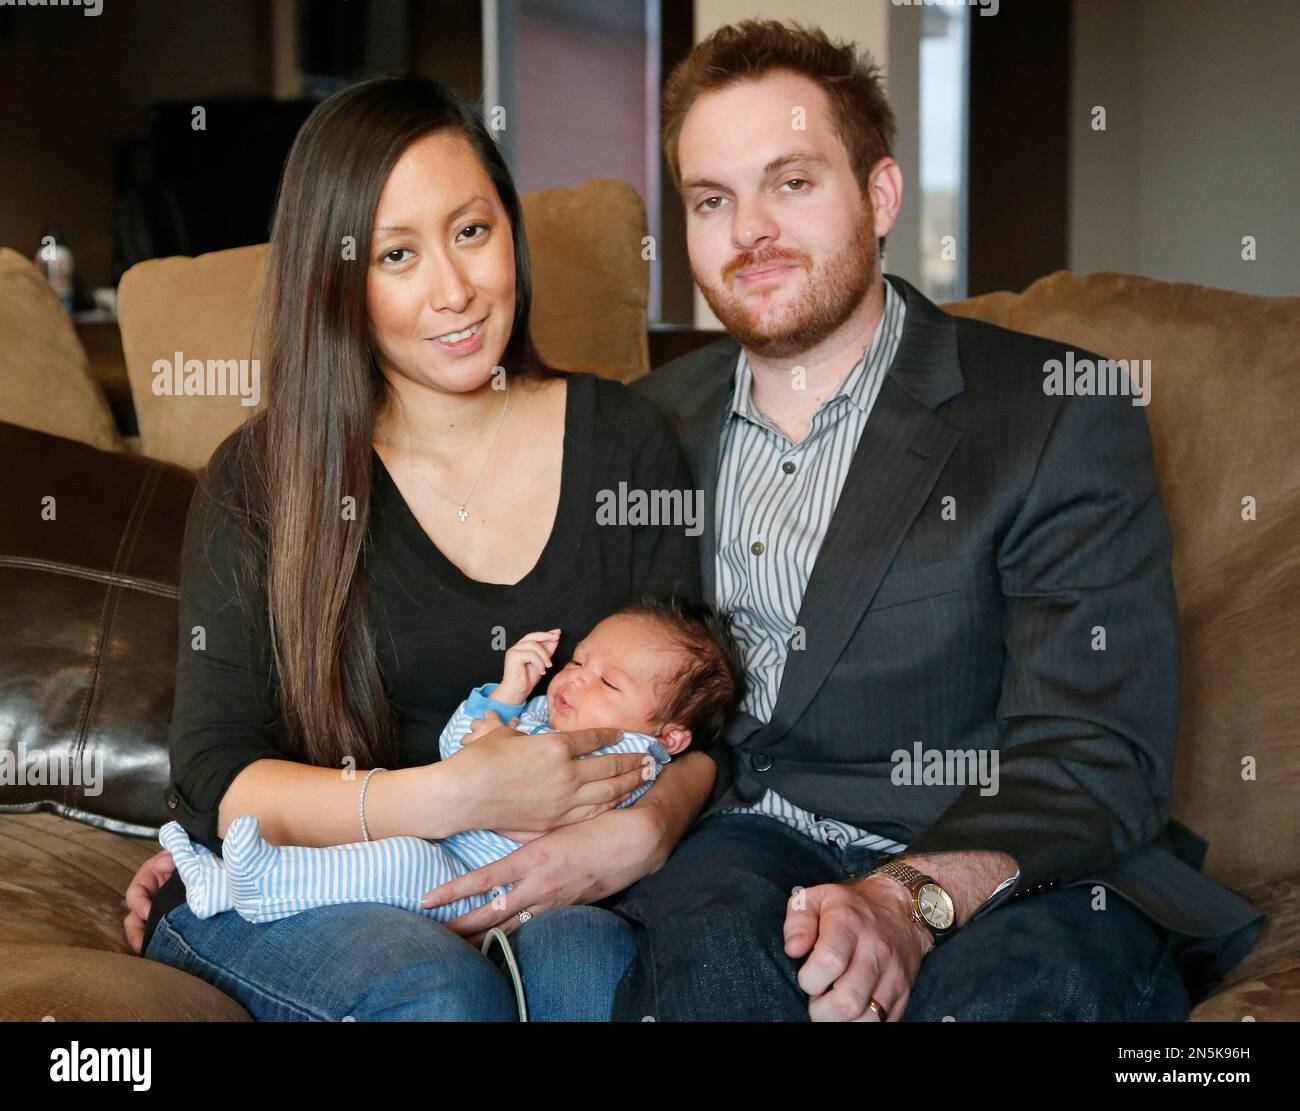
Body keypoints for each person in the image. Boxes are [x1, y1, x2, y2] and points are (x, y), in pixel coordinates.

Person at [602, 19, 1266, 1022]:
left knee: (1015, 992)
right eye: (711, 199)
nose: (748, 231)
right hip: (740, 842)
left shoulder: (1055, 410)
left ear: (879, 196)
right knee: (707, 970)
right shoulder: (650, 421)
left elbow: (1096, 751)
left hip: (1012, 860)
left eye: (791, 182)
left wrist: (909, 897)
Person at [121, 74, 719, 1022]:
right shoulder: (265, 477)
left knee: (587, 977)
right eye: (397, 253)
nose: (455, 290)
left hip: (546, 874)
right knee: (441, 995)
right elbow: (215, 774)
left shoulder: (624, 441)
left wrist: (640, 833)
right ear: (339, 280)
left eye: (472, 231)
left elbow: (701, 721)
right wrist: (448, 794)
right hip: (325, 885)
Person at [155, 600, 742, 926]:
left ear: (669, 735)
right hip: (443, 841)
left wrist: (502, 774)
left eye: (608, 681)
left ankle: (249, 888)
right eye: (580, 660)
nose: (576, 678)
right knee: (365, 850)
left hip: (476, 887)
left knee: (397, 861)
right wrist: (510, 692)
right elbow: (453, 748)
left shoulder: (632, 760)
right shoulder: (540, 712)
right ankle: (224, 878)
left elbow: (566, 824)